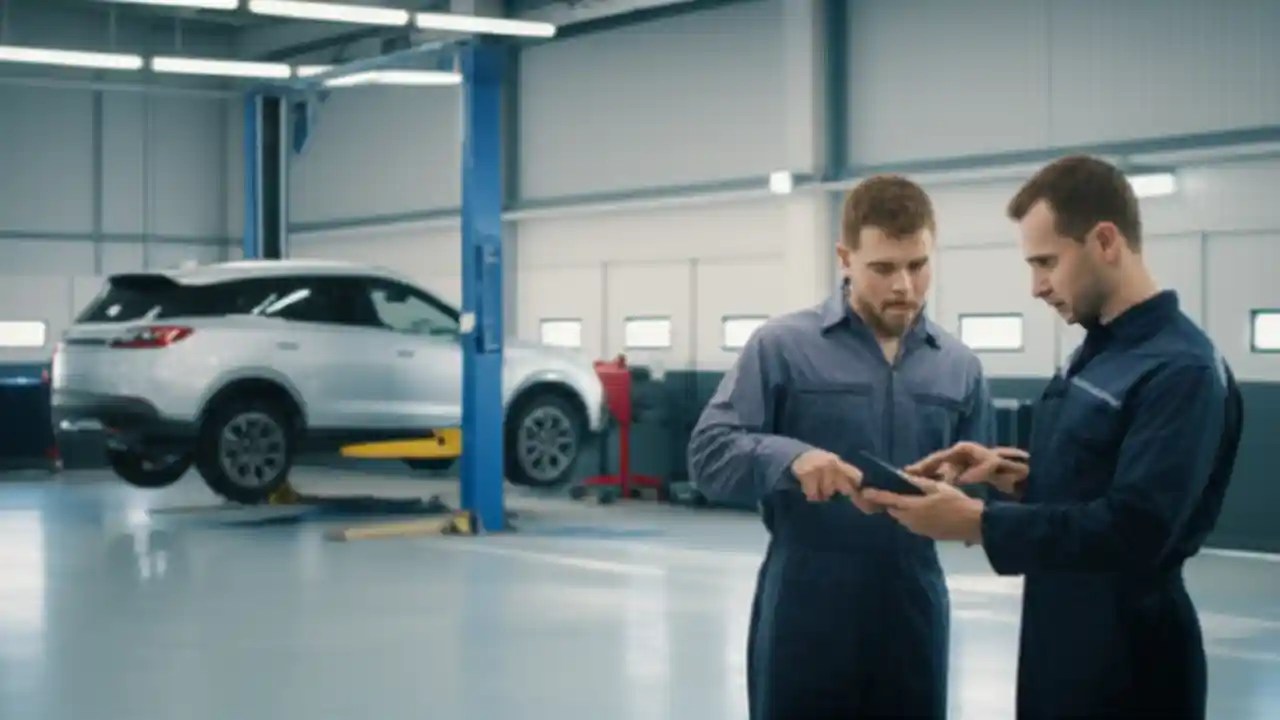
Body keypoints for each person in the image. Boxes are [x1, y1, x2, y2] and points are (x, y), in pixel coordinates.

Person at [864, 155, 1245, 719]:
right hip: (1060, 639)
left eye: (1047, 262)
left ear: (1106, 241)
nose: (1037, 286)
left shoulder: (1180, 369)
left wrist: (979, 522)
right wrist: (1014, 476)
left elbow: (1137, 529)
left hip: (1130, 663)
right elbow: (1096, 478)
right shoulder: (1098, 351)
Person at [687, 174, 996, 719]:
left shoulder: (960, 367)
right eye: (883, 268)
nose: (903, 285)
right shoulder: (783, 347)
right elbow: (709, 454)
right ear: (845, 258)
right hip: (806, 601)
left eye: (918, 265)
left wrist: (967, 495)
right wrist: (792, 458)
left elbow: (986, 495)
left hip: (914, 604)